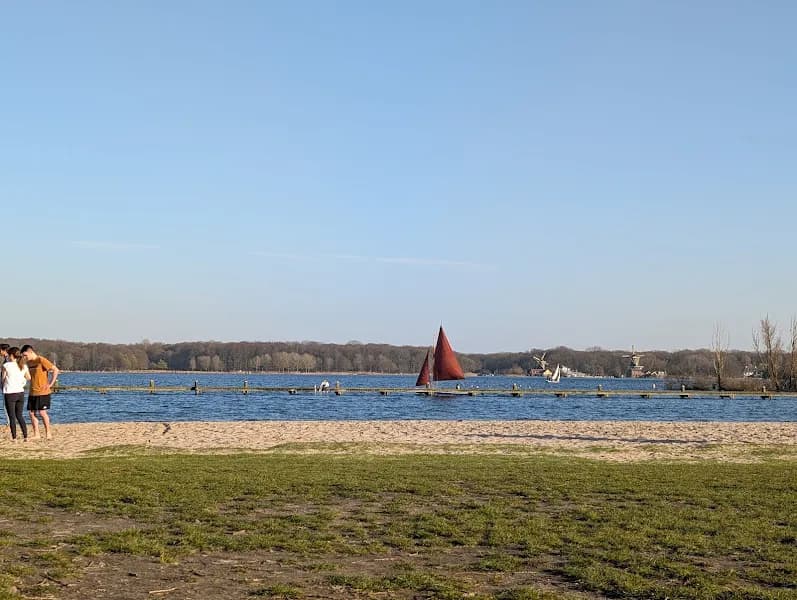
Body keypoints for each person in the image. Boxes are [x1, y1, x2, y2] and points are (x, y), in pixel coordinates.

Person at [20, 345, 59, 440]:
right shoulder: (28, 363)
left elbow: (55, 370)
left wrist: (50, 384)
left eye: (25, 355)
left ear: (31, 352)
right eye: (23, 356)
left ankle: (48, 433)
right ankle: (36, 434)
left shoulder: (41, 360)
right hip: (32, 392)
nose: (24, 357)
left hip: (43, 392)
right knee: (31, 413)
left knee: (42, 413)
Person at [2, 347, 30, 441]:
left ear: (11, 355)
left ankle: (14, 437)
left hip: (10, 392)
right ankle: (25, 436)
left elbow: (3, 379)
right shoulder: (23, 365)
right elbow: (28, 377)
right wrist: (21, 380)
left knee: (12, 417)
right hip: (20, 393)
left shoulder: (6, 365)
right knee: (19, 415)